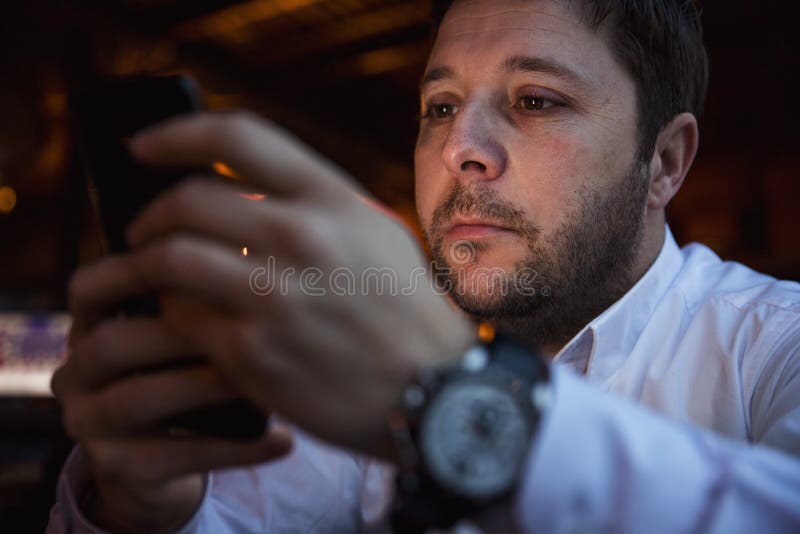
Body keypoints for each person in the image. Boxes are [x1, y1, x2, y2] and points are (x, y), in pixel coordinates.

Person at [47, 0, 800, 532]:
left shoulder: (777, 348)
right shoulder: (358, 346)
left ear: (664, 162)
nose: (456, 149)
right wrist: (147, 512)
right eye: (440, 106)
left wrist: (464, 406)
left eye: (535, 100)